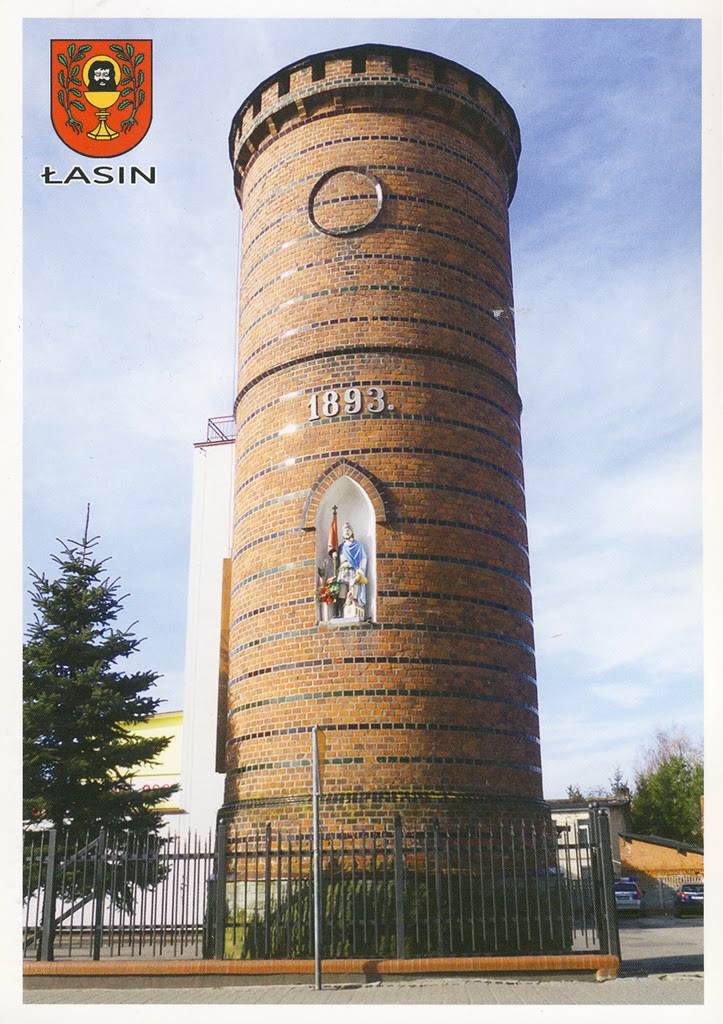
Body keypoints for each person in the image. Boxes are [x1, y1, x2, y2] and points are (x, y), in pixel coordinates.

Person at [336, 522, 368, 617]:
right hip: (343, 571)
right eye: (345, 531)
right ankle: (341, 613)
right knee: (342, 592)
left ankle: (353, 612)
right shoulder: (341, 547)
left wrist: (361, 569)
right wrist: (334, 553)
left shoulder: (358, 545)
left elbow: (363, 558)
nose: (346, 532)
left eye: (348, 530)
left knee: (353, 591)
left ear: (351, 532)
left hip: (353, 571)